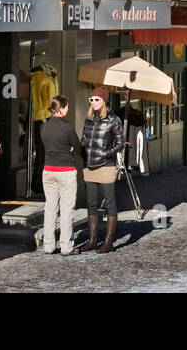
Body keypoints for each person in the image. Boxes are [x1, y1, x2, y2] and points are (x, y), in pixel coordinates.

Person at [80, 87, 126, 253]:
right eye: (91, 100)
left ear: (104, 101)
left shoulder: (113, 119)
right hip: (90, 166)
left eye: (97, 99)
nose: (93, 102)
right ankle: (92, 240)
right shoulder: (88, 119)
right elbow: (84, 139)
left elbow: (120, 144)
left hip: (106, 165)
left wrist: (104, 154)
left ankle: (108, 242)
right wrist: (82, 153)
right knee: (91, 204)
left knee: (110, 204)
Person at [39, 95, 82, 255]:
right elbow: (77, 147)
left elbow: (48, 146)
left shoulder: (43, 127)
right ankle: (66, 246)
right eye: (67, 107)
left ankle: (48, 246)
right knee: (66, 210)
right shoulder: (67, 128)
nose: (68, 109)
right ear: (61, 109)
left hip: (48, 170)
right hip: (65, 171)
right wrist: (70, 149)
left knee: (50, 208)